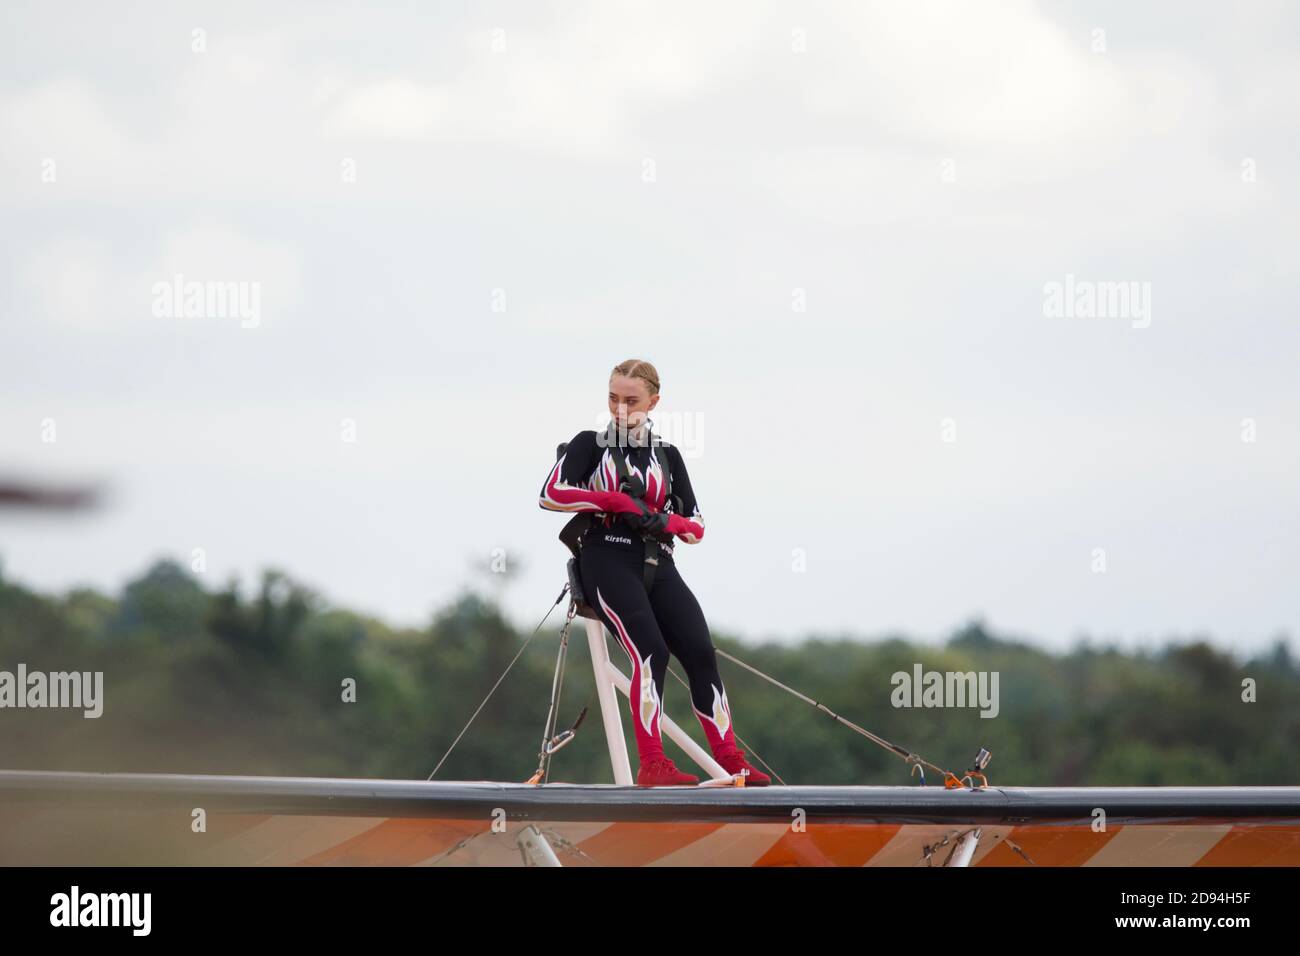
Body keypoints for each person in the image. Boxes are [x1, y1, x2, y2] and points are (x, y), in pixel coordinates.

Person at [538, 359, 770, 787]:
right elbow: (551, 494)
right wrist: (615, 502)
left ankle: (729, 758)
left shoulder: (668, 455)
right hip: (606, 559)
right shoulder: (590, 443)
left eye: (631, 401)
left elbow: (697, 526)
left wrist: (669, 523)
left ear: (654, 401)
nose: (620, 410)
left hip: (658, 560)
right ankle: (653, 765)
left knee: (700, 652)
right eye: (613, 399)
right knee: (651, 652)